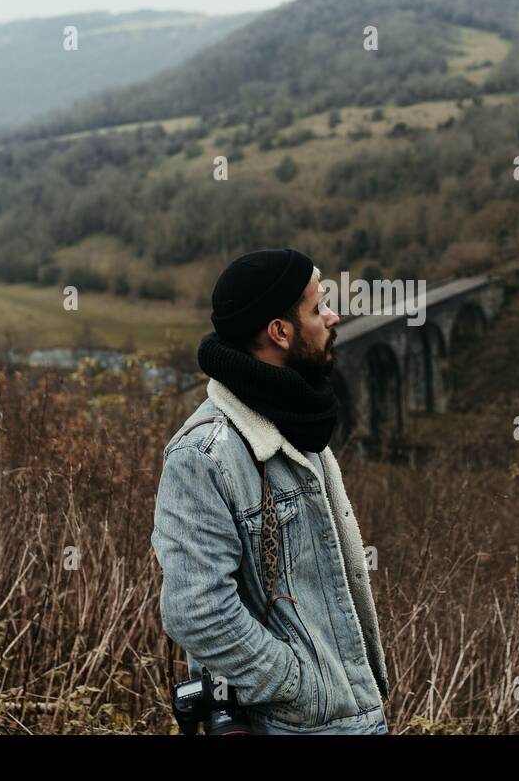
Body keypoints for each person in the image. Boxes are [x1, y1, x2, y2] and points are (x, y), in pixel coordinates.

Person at [152, 248, 390, 734]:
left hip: (349, 717)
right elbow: (197, 612)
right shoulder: (204, 456)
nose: (333, 315)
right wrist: (302, 684)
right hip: (293, 724)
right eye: (318, 306)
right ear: (280, 332)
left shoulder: (296, 419)